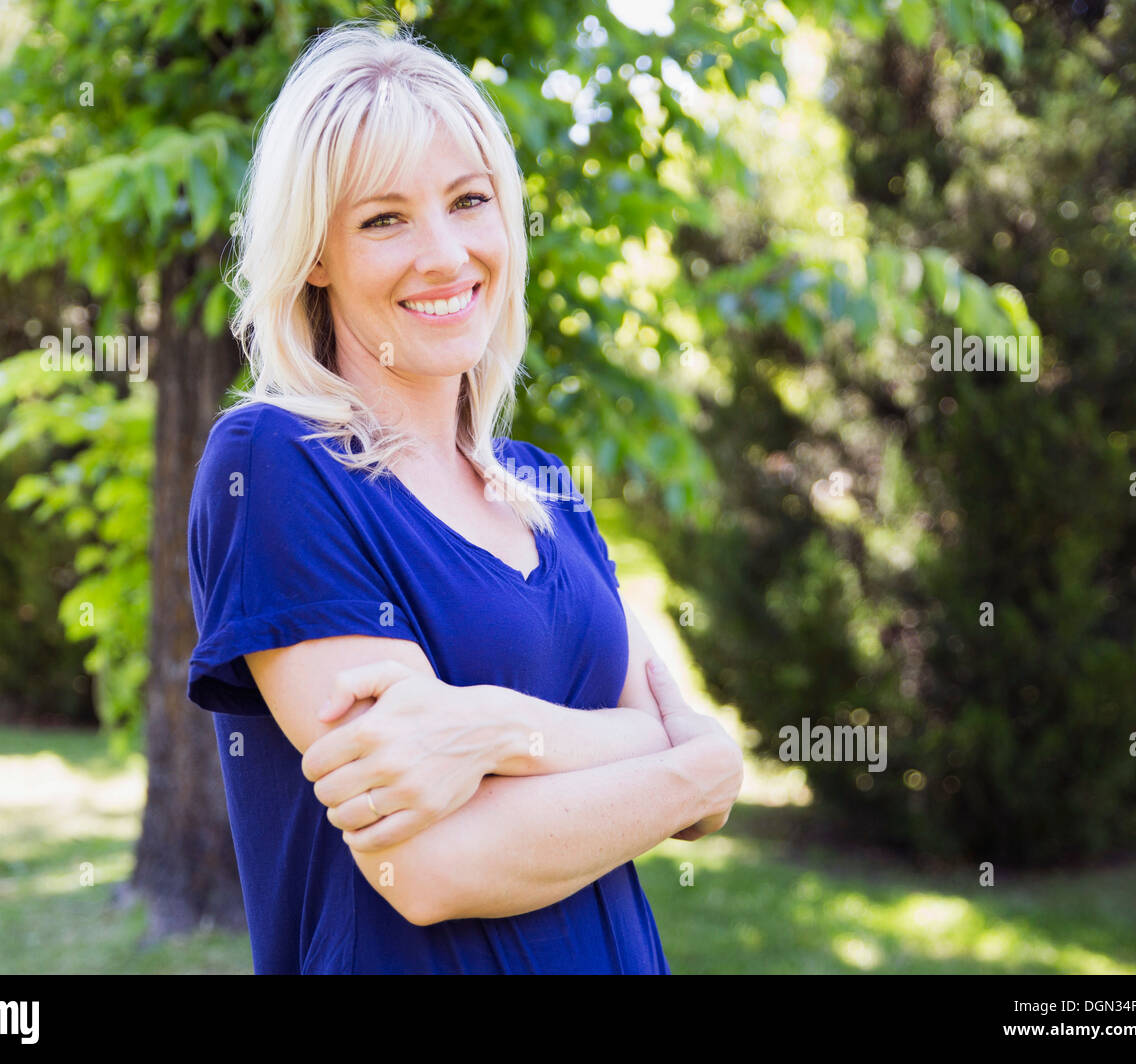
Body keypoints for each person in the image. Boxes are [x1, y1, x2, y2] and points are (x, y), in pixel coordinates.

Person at [185, 19, 744, 975]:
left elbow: (701, 781)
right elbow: (434, 865)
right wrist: (687, 765)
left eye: (469, 201)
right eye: (384, 219)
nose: (444, 255)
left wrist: (485, 730)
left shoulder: (544, 489)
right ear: (314, 254)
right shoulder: (275, 465)